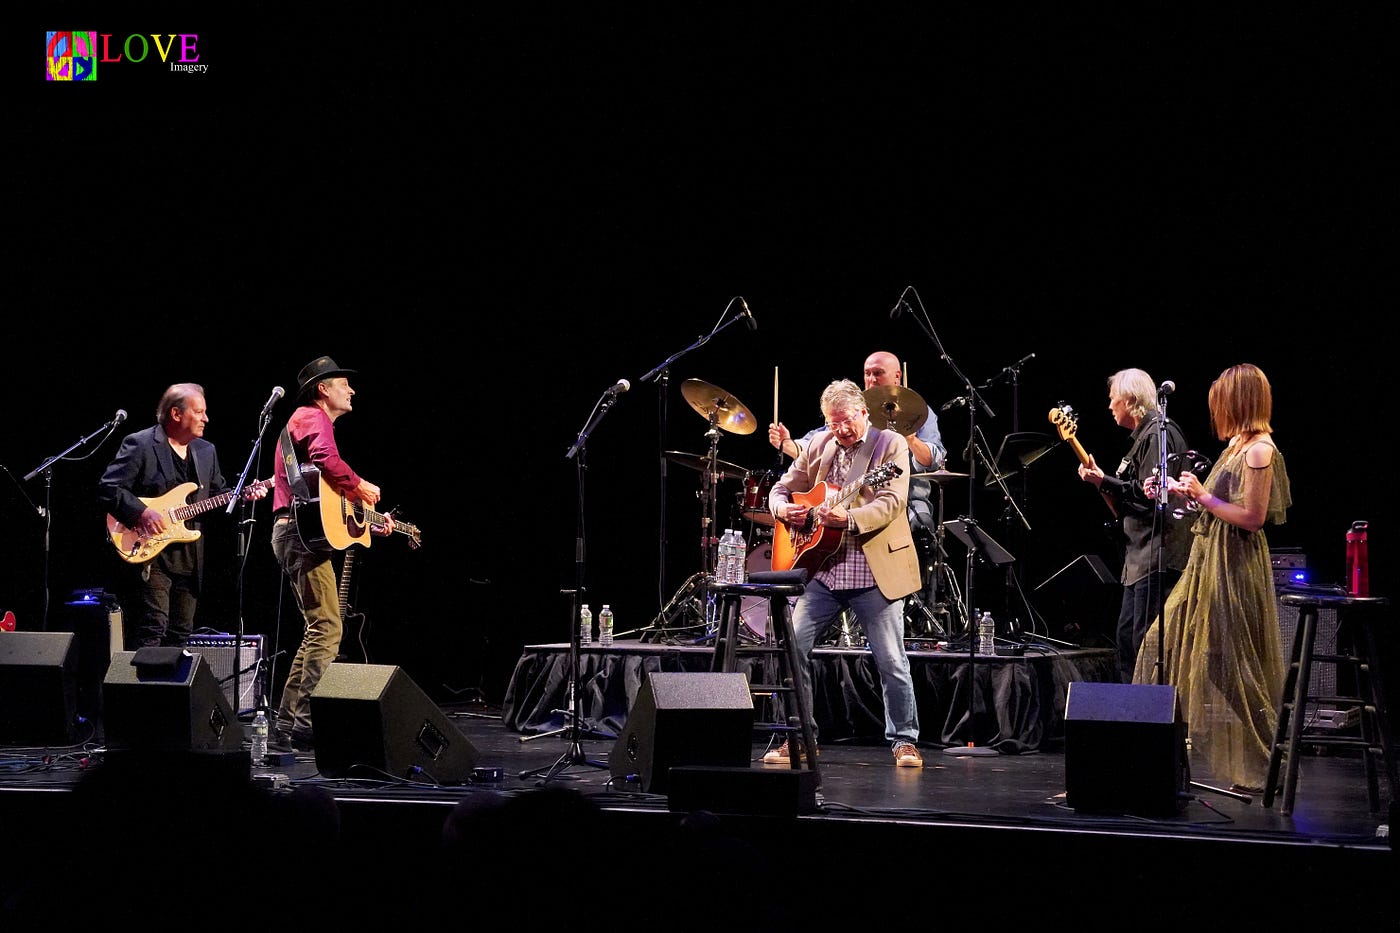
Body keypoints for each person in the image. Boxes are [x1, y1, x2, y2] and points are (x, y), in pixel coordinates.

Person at [1134, 363, 1291, 793]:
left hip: (1233, 564)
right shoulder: (1238, 445)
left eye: (1221, 403)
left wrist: (1203, 494)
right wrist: (1180, 490)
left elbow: (1252, 518)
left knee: (1234, 666)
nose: (1216, 412)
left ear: (1239, 402)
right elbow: (1216, 503)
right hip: (1208, 560)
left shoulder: (1260, 450)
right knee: (1163, 644)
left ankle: (1270, 761)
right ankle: (1154, 753)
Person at [765, 378, 924, 767]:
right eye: (833, 422)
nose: (841, 429)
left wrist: (848, 519)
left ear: (863, 412)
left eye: (847, 420)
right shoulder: (818, 445)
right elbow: (781, 489)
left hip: (872, 573)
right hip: (823, 572)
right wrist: (784, 510)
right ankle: (800, 738)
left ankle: (904, 740)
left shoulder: (890, 445)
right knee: (792, 649)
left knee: (891, 661)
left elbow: (892, 502)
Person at [269, 356, 392, 750]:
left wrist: (369, 516)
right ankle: (306, 725)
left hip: (296, 533)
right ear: (323, 389)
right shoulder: (312, 417)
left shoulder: (303, 422)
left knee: (317, 630)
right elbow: (327, 461)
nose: (351, 390)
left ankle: (288, 724)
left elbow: (324, 494)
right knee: (328, 629)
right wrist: (360, 484)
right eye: (343, 384)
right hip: (297, 533)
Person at [769, 350, 947, 615]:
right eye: (867, 373)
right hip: (826, 562)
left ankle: (921, 605)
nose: (872, 379)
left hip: (906, 497)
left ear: (897, 376)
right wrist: (787, 447)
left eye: (878, 373)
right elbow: (807, 450)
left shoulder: (915, 411)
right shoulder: (841, 412)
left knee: (920, 523)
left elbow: (933, 460)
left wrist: (910, 437)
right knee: (794, 639)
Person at [97, 383, 267, 649]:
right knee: (153, 626)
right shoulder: (141, 443)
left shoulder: (206, 451)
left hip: (189, 558)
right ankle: (144, 678)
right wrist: (142, 512)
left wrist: (241, 495)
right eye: (199, 412)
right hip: (150, 552)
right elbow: (109, 488)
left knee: (181, 631)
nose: (206, 419)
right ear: (176, 414)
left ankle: (170, 679)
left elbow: (217, 494)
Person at [1074, 368, 1195, 682]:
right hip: (1140, 558)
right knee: (1128, 639)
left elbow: (1150, 495)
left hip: (1157, 556)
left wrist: (1104, 481)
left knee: (1144, 644)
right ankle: (1134, 708)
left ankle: (1148, 709)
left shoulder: (1157, 434)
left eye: (1113, 398)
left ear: (1129, 400)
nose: (1109, 406)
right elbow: (1132, 498)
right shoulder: (1144, 437)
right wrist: (1102, 482)